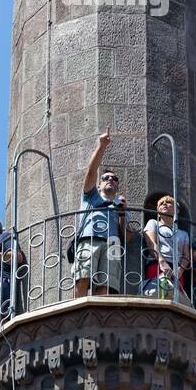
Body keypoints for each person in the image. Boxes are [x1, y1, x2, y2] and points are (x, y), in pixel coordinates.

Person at [73, 127, 124, 298]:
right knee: (83, 278)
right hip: (90, 238)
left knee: (106, 285)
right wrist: (101, 146)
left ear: (117, 186)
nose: (110, 179)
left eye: (114, 179)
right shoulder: (91, 196)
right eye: (106, 178)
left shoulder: (120, 205)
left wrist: (123, 214)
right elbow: (91, 172)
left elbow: (127, 237)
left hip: (113, 244)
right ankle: (76, 316)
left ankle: (100, 322)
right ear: (99, 185)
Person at [143, 196, 190, 302]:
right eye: (161, 203)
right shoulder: (153, 223)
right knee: (156, 296)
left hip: (176, 271)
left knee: (176, 301)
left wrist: (180, 270)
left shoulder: (183, 233)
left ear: (177, 210)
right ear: (157, 209)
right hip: (157, 265)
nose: (164, 204)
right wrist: (162, 262)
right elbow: (151, 243)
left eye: (168, 202)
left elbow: (186, 256)